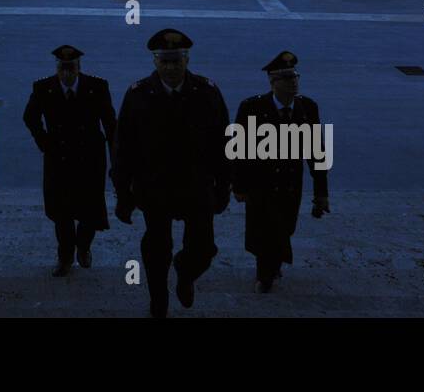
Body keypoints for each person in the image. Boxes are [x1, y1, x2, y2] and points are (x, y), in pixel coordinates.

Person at [112, 29, 231, 319]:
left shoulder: (207, 92)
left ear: (186, 60)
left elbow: (225, 143)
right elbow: (123, 147)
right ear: (155, 62)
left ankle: (185, 271)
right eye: (165, 61)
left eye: (176, 61)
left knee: (203, 249)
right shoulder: (138, 94)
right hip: (155, 187)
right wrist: (122, 194)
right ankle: (158, 298)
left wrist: (224, 185)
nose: (171, 68)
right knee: (156, 247)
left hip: (196, 186)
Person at [232, 51, 329, 293]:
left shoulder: (307, 108)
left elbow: (317, 153)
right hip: (261, 185)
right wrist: (239, 185)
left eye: (295, 76)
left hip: (289, 185)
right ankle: (265, 275)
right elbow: (238, 149)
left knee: (285, 229)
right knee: (264, 232)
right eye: (286, 78)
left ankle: (272, 268)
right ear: (272, 82)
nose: (293, 82)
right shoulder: (252, 107)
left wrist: (321, 194)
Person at [23, 45, 117, 276]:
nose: (66, 74)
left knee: (89, 212)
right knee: (61, 213)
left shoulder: (96, 87)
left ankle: (83, 247)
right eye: (62, 69)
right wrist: (43, 141)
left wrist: (116, 156)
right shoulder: (44, 88)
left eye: (70, 69)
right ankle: (65, 257)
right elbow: (30, 116)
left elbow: (110, 123)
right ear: (57, 68)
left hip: (90, 159)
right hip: (59, 158)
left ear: (78, 68)